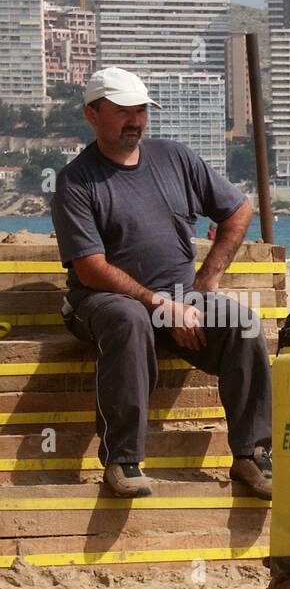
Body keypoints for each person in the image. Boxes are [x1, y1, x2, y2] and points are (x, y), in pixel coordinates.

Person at [49, 66, 272, 500]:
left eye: (142, 111)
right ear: (92, 115)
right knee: (130, 317)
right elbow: (92, 269)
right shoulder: (75, 181)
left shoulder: (176, 158)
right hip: (101, 301)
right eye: (123, 112)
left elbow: (239, 210)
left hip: (182, 299)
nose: (136, 121)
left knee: (243, 322)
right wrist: (163, 306)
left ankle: (252, 454)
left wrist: (207, 281)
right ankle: (123, 459)